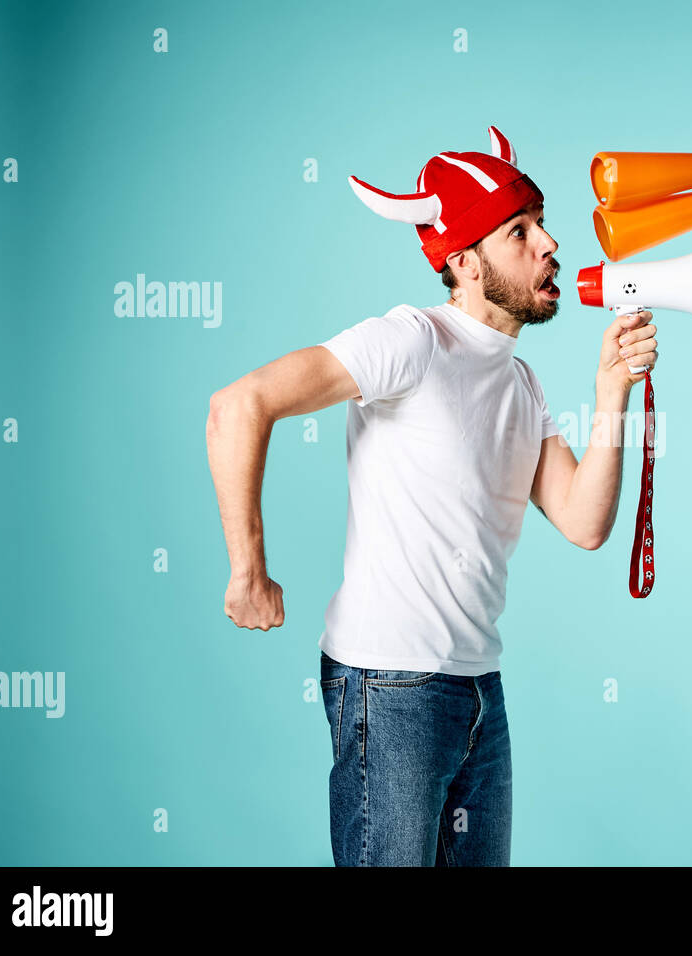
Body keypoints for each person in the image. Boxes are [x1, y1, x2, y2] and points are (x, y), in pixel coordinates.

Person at [205, 126, 658, 866]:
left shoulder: (520, 381)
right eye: (521, 231)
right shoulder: (411, 340)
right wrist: (246, 569)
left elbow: (582, 522)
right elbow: (238, 405)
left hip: (480, 690)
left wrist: (611, 391)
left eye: (541, 223)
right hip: (390, 689)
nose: (549, 243)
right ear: (464, 261)